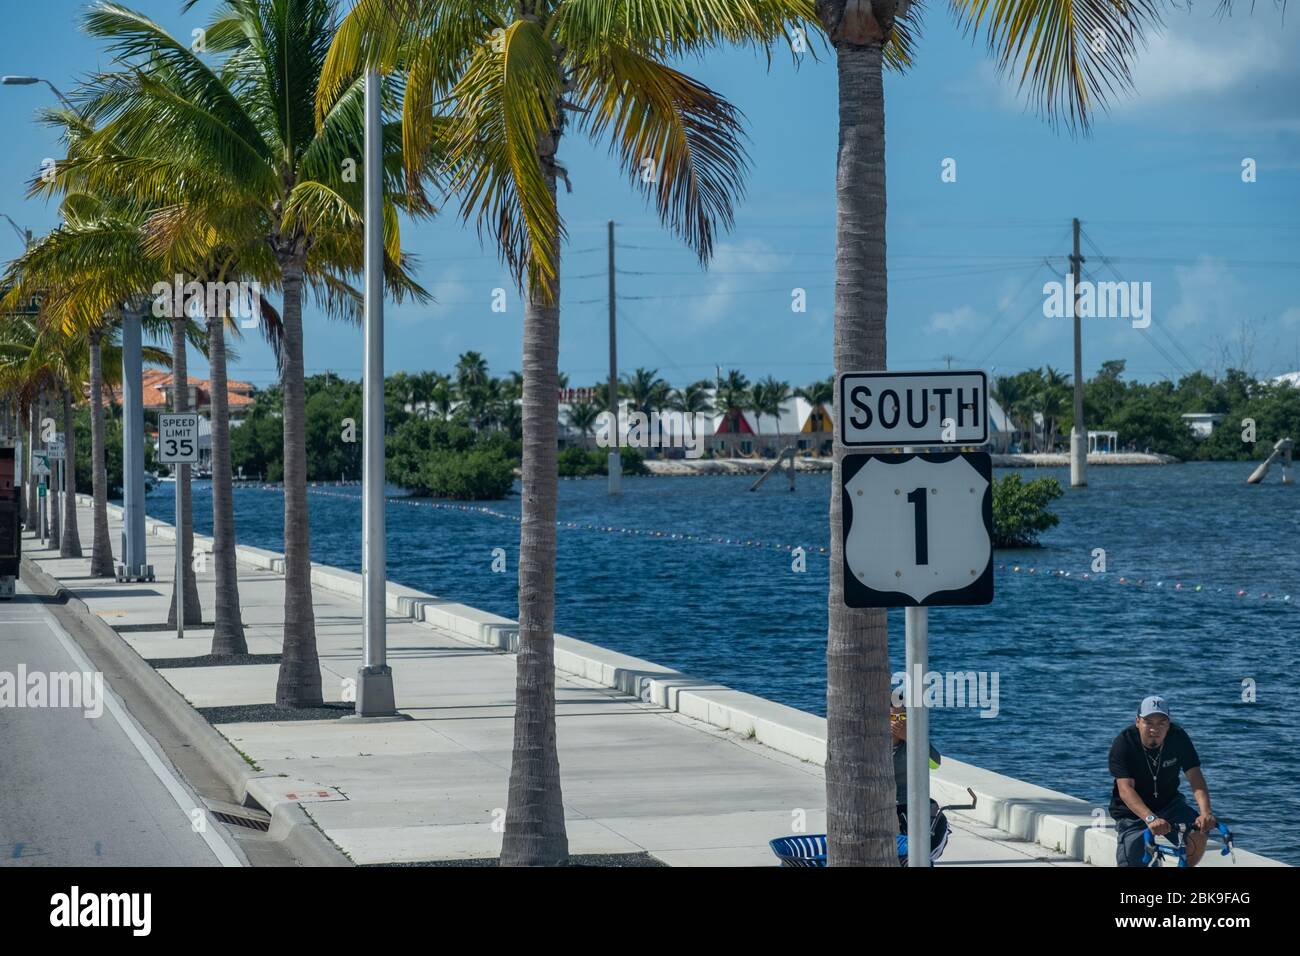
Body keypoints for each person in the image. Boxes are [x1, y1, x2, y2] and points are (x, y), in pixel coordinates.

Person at [1109, 695, 1216, 867]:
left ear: (1169, 724)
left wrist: (1206, 812)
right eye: (1148, 722)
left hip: (1170, 805)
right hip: (1133, 814)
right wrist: (1150, 818)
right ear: (1138, 721)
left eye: (1161, 722)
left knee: (1199, 833)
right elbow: (1125, 790)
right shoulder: (1124, 743)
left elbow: (1195, 776)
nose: (1155, 728)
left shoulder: (1178, 737)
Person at [891, 702, 946, 861]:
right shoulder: (874, 743)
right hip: (888, 802)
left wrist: (912, 738)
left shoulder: (912, 743)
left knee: (937, 820)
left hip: (911, 800)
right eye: (893, 717)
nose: (897, 722)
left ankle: (923, 859)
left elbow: (935, 763)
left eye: (902, 717)